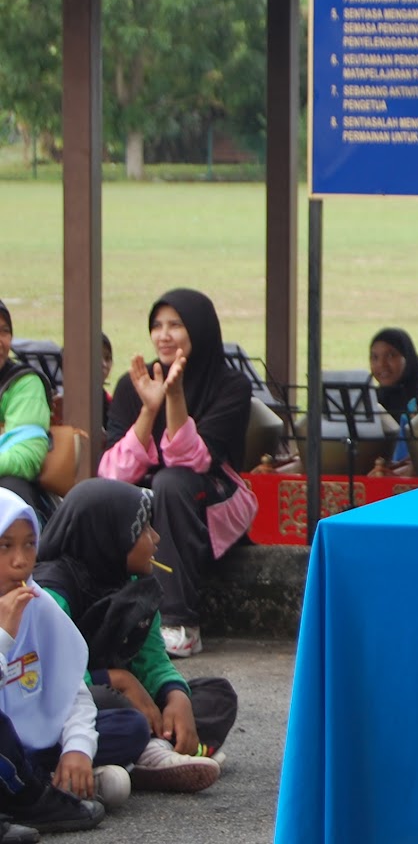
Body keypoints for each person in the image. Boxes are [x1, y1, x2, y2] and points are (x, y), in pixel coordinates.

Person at [35, 479, 228, 796]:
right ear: (108, 535)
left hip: (129, 701)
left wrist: (175, 695)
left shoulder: (136, 585)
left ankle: (151, 751)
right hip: (74, 702)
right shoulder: (53, 592)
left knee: (217, 695)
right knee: (119, 712)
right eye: (143, 529)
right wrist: (117, 680)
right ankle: (148, 751)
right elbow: (44, 677)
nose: (156, 538)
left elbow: (153, 660)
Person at [100, 289, 257, 659]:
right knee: (105, 494)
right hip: (154, 491)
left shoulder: (231, 385)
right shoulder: (133, 384)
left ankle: (180, 623)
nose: (163, 335)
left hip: (209, 493)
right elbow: (113, 471)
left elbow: (193, 461)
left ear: (199, 329)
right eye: (156, 326)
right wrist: (148, 409)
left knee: (170, 482)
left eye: (175, 325)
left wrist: (174, 399)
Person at [0, 487, 109, 838]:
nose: (20, 561)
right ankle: (35, 796)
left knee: (127, 724)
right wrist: (4, 635)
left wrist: (77, 749)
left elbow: (71, 689)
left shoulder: (39, 604)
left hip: (35, 747)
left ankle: (63, 775)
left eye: (30, 544)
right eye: (5, 546)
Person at [0, 304, 55, 525]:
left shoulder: (25, 384)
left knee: (9, 489)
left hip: (13, 490)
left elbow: (26, 457)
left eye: (4, 331)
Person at [367, 329, 418, 423]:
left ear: (408, 358)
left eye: (390, 356)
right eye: (375, 357)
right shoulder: (372, 399)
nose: (381, 364)